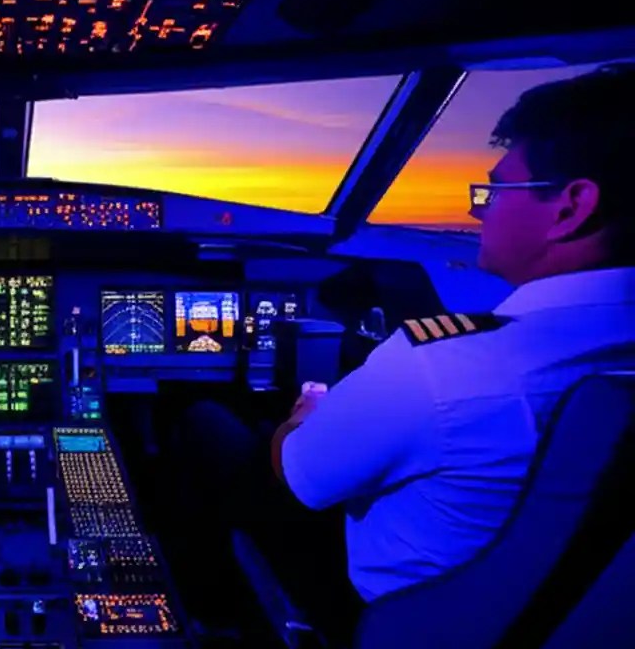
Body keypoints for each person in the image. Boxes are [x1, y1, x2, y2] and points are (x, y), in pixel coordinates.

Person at [178, 63, 635, 618]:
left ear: (570, 207)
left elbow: (297, 475)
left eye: (494, 190)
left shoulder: (443, 368)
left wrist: (305, 416)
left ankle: (206, 605)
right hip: (555, 628)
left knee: (201, 419)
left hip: (392, 623)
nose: (476, 209)